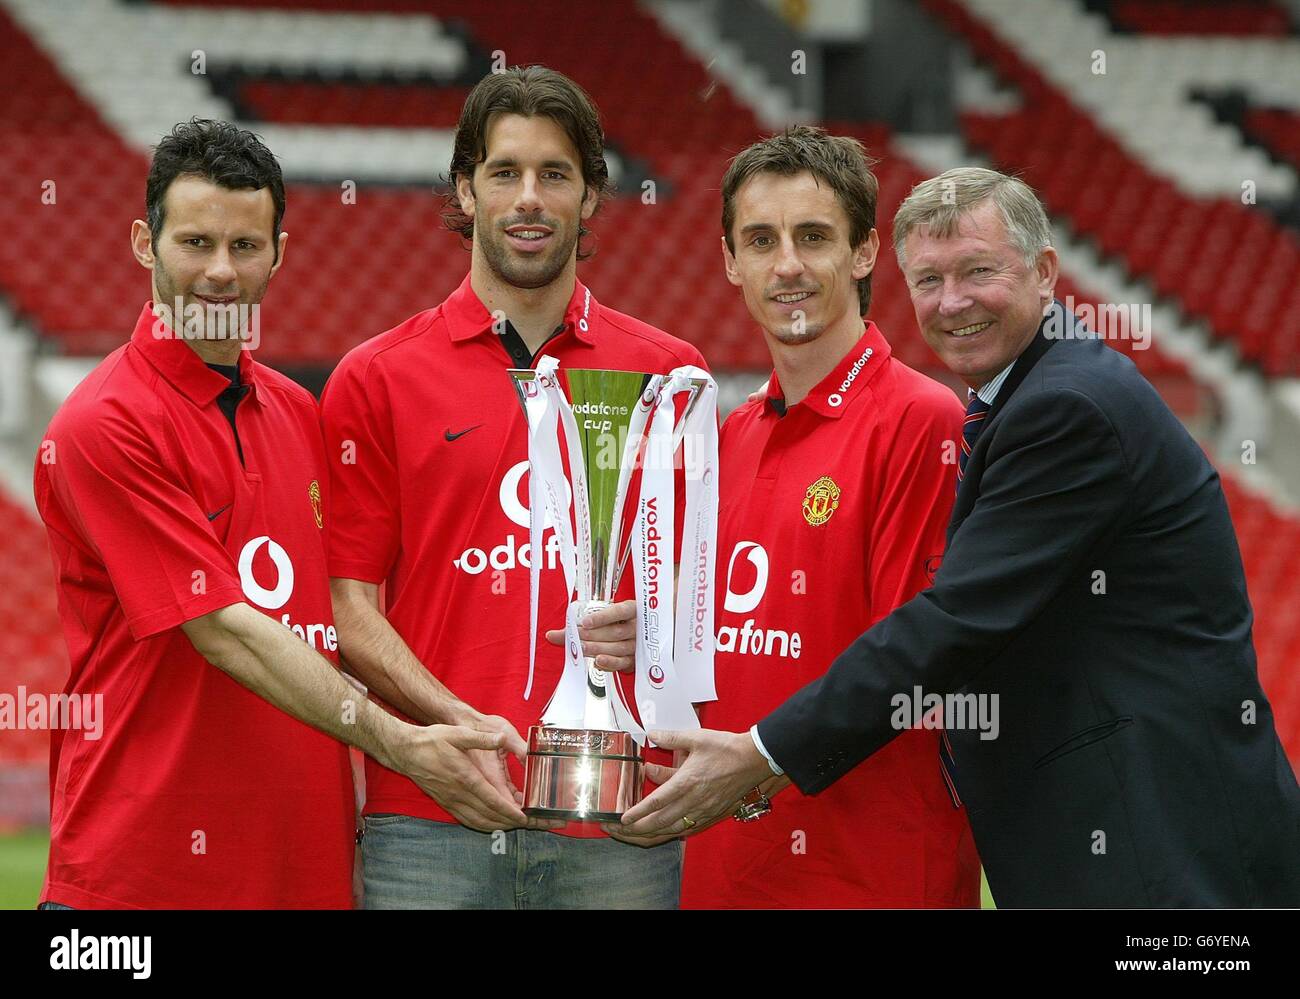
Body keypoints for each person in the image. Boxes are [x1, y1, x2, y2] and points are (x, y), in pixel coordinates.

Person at [613, 166, 1300, 907]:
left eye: (979, 272)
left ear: (1043, 274)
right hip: (1117, 835)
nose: (952, 303)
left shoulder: (1065, 406)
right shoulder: (1030, 396)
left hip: (1155, 845)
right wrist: (669, 627)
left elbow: (954, 622)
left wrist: (761, 753)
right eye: (930, 280)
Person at [32, 119, 518, 910]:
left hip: (302, 876)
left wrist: (454, 715)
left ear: (279, 252)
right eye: (194, 242)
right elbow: (224, 628)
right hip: (140, 884)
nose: (221, 272)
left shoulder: (299, 413)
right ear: (142, 245)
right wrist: (400, 741)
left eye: (246, 247)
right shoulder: (103, 423)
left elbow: (340, 614)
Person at [320, 66, 708, 909]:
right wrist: (454, 723)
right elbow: (348, 608)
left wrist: (658, 628)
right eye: (504, 172)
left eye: (555, 174)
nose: (529, 198)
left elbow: (701, 590)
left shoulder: (673, 375)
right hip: (429, 817)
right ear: (466, 188)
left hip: (621, 818)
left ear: (593, 196)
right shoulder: (375, 378)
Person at [605, 127, 979, 907]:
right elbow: (750, 627)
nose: (787, 266)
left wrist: (758, 755)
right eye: (761, 240)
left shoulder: (921, 419)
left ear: (866, 251)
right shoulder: (728, 435)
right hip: (729, 865)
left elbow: (909, 662)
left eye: (813, 237)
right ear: (729, 261)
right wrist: (653, 638)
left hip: (867, 869)